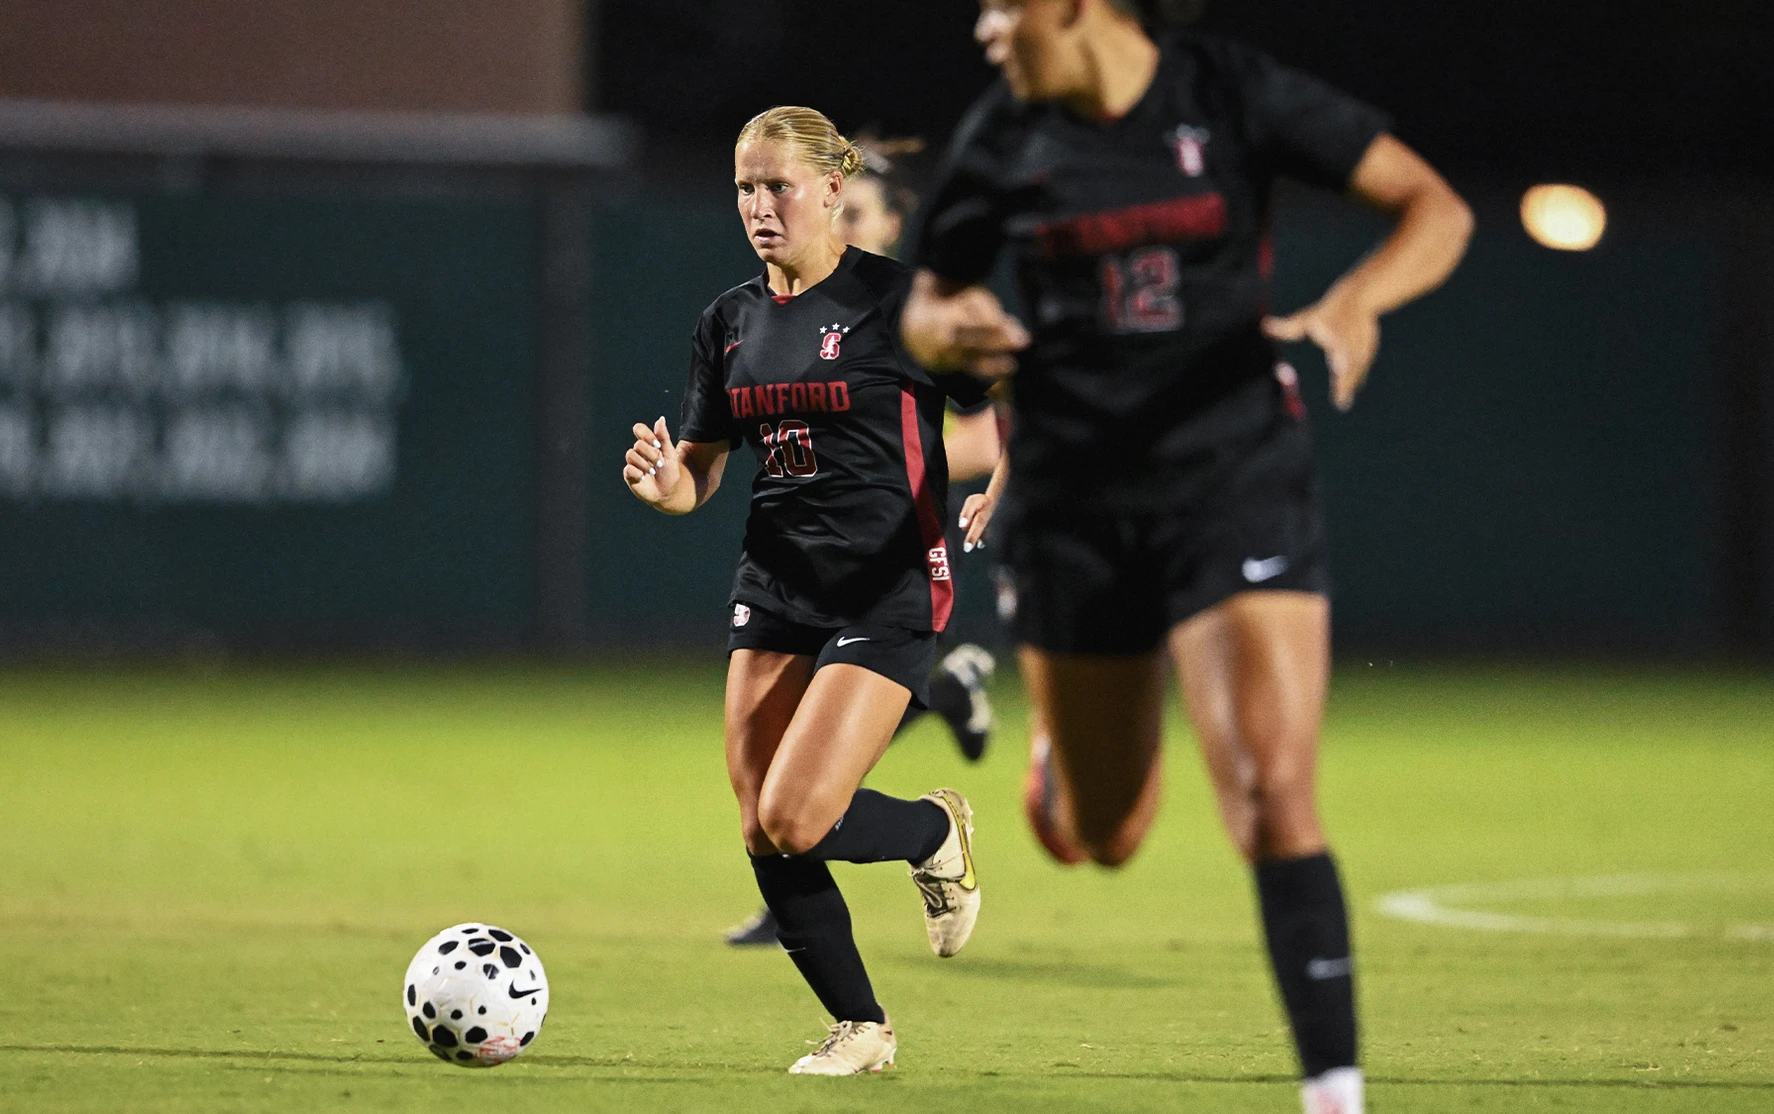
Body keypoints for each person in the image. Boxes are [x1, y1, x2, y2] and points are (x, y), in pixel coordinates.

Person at [903, 2, 1473, 1111]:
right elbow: (927, 302)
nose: (984, 26)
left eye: (1003, 4)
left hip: (1232, 477)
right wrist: (949, 330)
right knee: (1104, 834)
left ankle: (1334, 1090)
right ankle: (1064, 769)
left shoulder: (1229, 93)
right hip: (1074, 500)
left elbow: (1433, 207)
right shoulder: (1004, 135)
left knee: (1268, 794)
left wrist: (1359, 297)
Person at [623, 106, 990, 1076]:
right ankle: (861, 1026)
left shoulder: (902, 301)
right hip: (776, 580)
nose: (758, 205)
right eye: (744, 186)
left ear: (834, 188)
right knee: (760, 822)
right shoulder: (729, 320)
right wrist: (671, 488)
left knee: (797, 816)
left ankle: (931, 828)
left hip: (889, 582)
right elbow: (701, 471)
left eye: (777, 185)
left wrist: (1010, 481)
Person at [723, 134, 1002, 949]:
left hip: (893, 565)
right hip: (795, 571)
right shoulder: (770, 316)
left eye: (865, 209)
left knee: (804, 789)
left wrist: (881, 460)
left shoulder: (908, 309)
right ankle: (941, 708)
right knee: (775, 798)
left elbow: (991, 424)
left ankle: (914, 831)